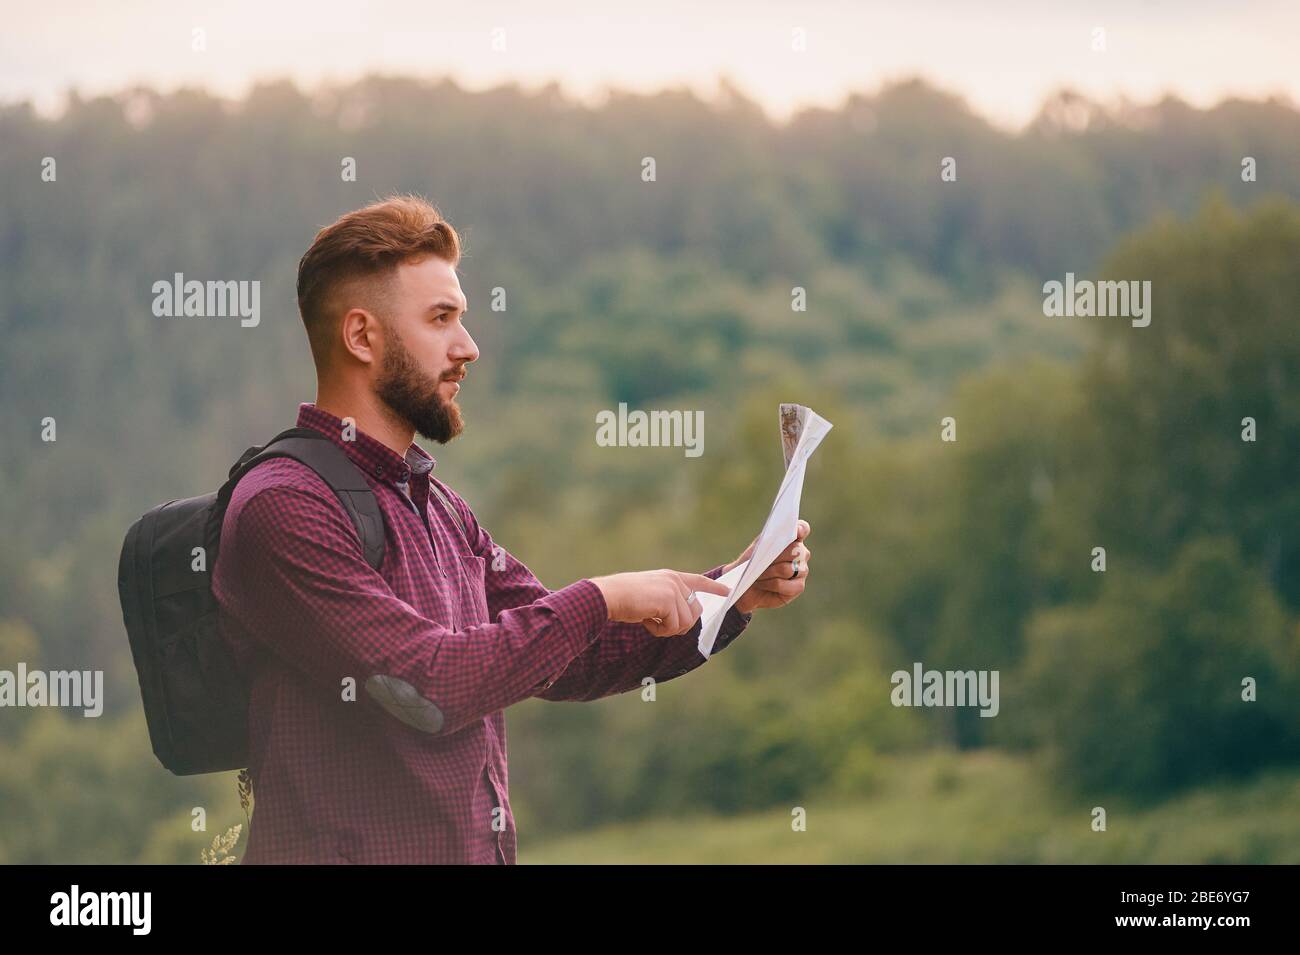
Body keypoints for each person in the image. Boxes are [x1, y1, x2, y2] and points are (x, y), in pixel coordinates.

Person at [212, 195, 813, 863]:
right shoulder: (283, 507)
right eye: (441, 319)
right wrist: (604, 594)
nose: (468, 347)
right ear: (361, 336)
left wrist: (733, 590)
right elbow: (428, 686)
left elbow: (570, 653)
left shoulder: (440, 508)